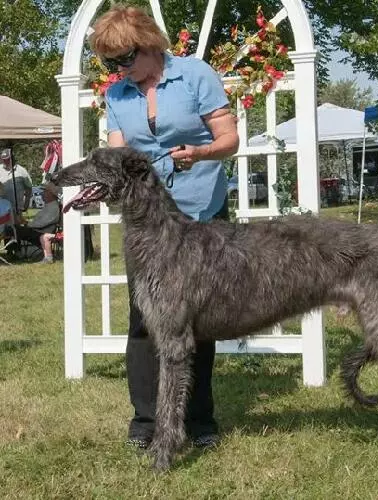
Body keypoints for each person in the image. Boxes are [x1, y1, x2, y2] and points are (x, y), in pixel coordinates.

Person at [89, 4, 239, 450]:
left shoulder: (195, 76)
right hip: (147, 225)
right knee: (143, 321)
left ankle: (200, 422)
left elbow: (229, 139)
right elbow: (119, 156)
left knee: (199, 321)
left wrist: (200, 153)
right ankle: (146, 422)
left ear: (149, 44)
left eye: (124, 59)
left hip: (200, 212)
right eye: (109, 63)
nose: (118, 69)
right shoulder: (117, 96)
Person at [9, 182, 61, 263]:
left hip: (41, 232)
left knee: (13, 229)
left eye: (45, 191)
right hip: (38, 230)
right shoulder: (49, 205)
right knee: (13, 228)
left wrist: (26, 223)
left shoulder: (53, 207)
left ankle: (16, 252)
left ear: (50, 194)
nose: (42, 193)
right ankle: (15, 251)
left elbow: (42, 223)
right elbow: (40, 221)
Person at [0, 149, 32, 218]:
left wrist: (26, 203)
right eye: (3, 159)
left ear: (12, 158)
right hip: (2, 208)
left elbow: (29, 188)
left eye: (7, 159)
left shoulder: (21, 171)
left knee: (16, 226)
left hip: (17, 208)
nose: (5, 161)